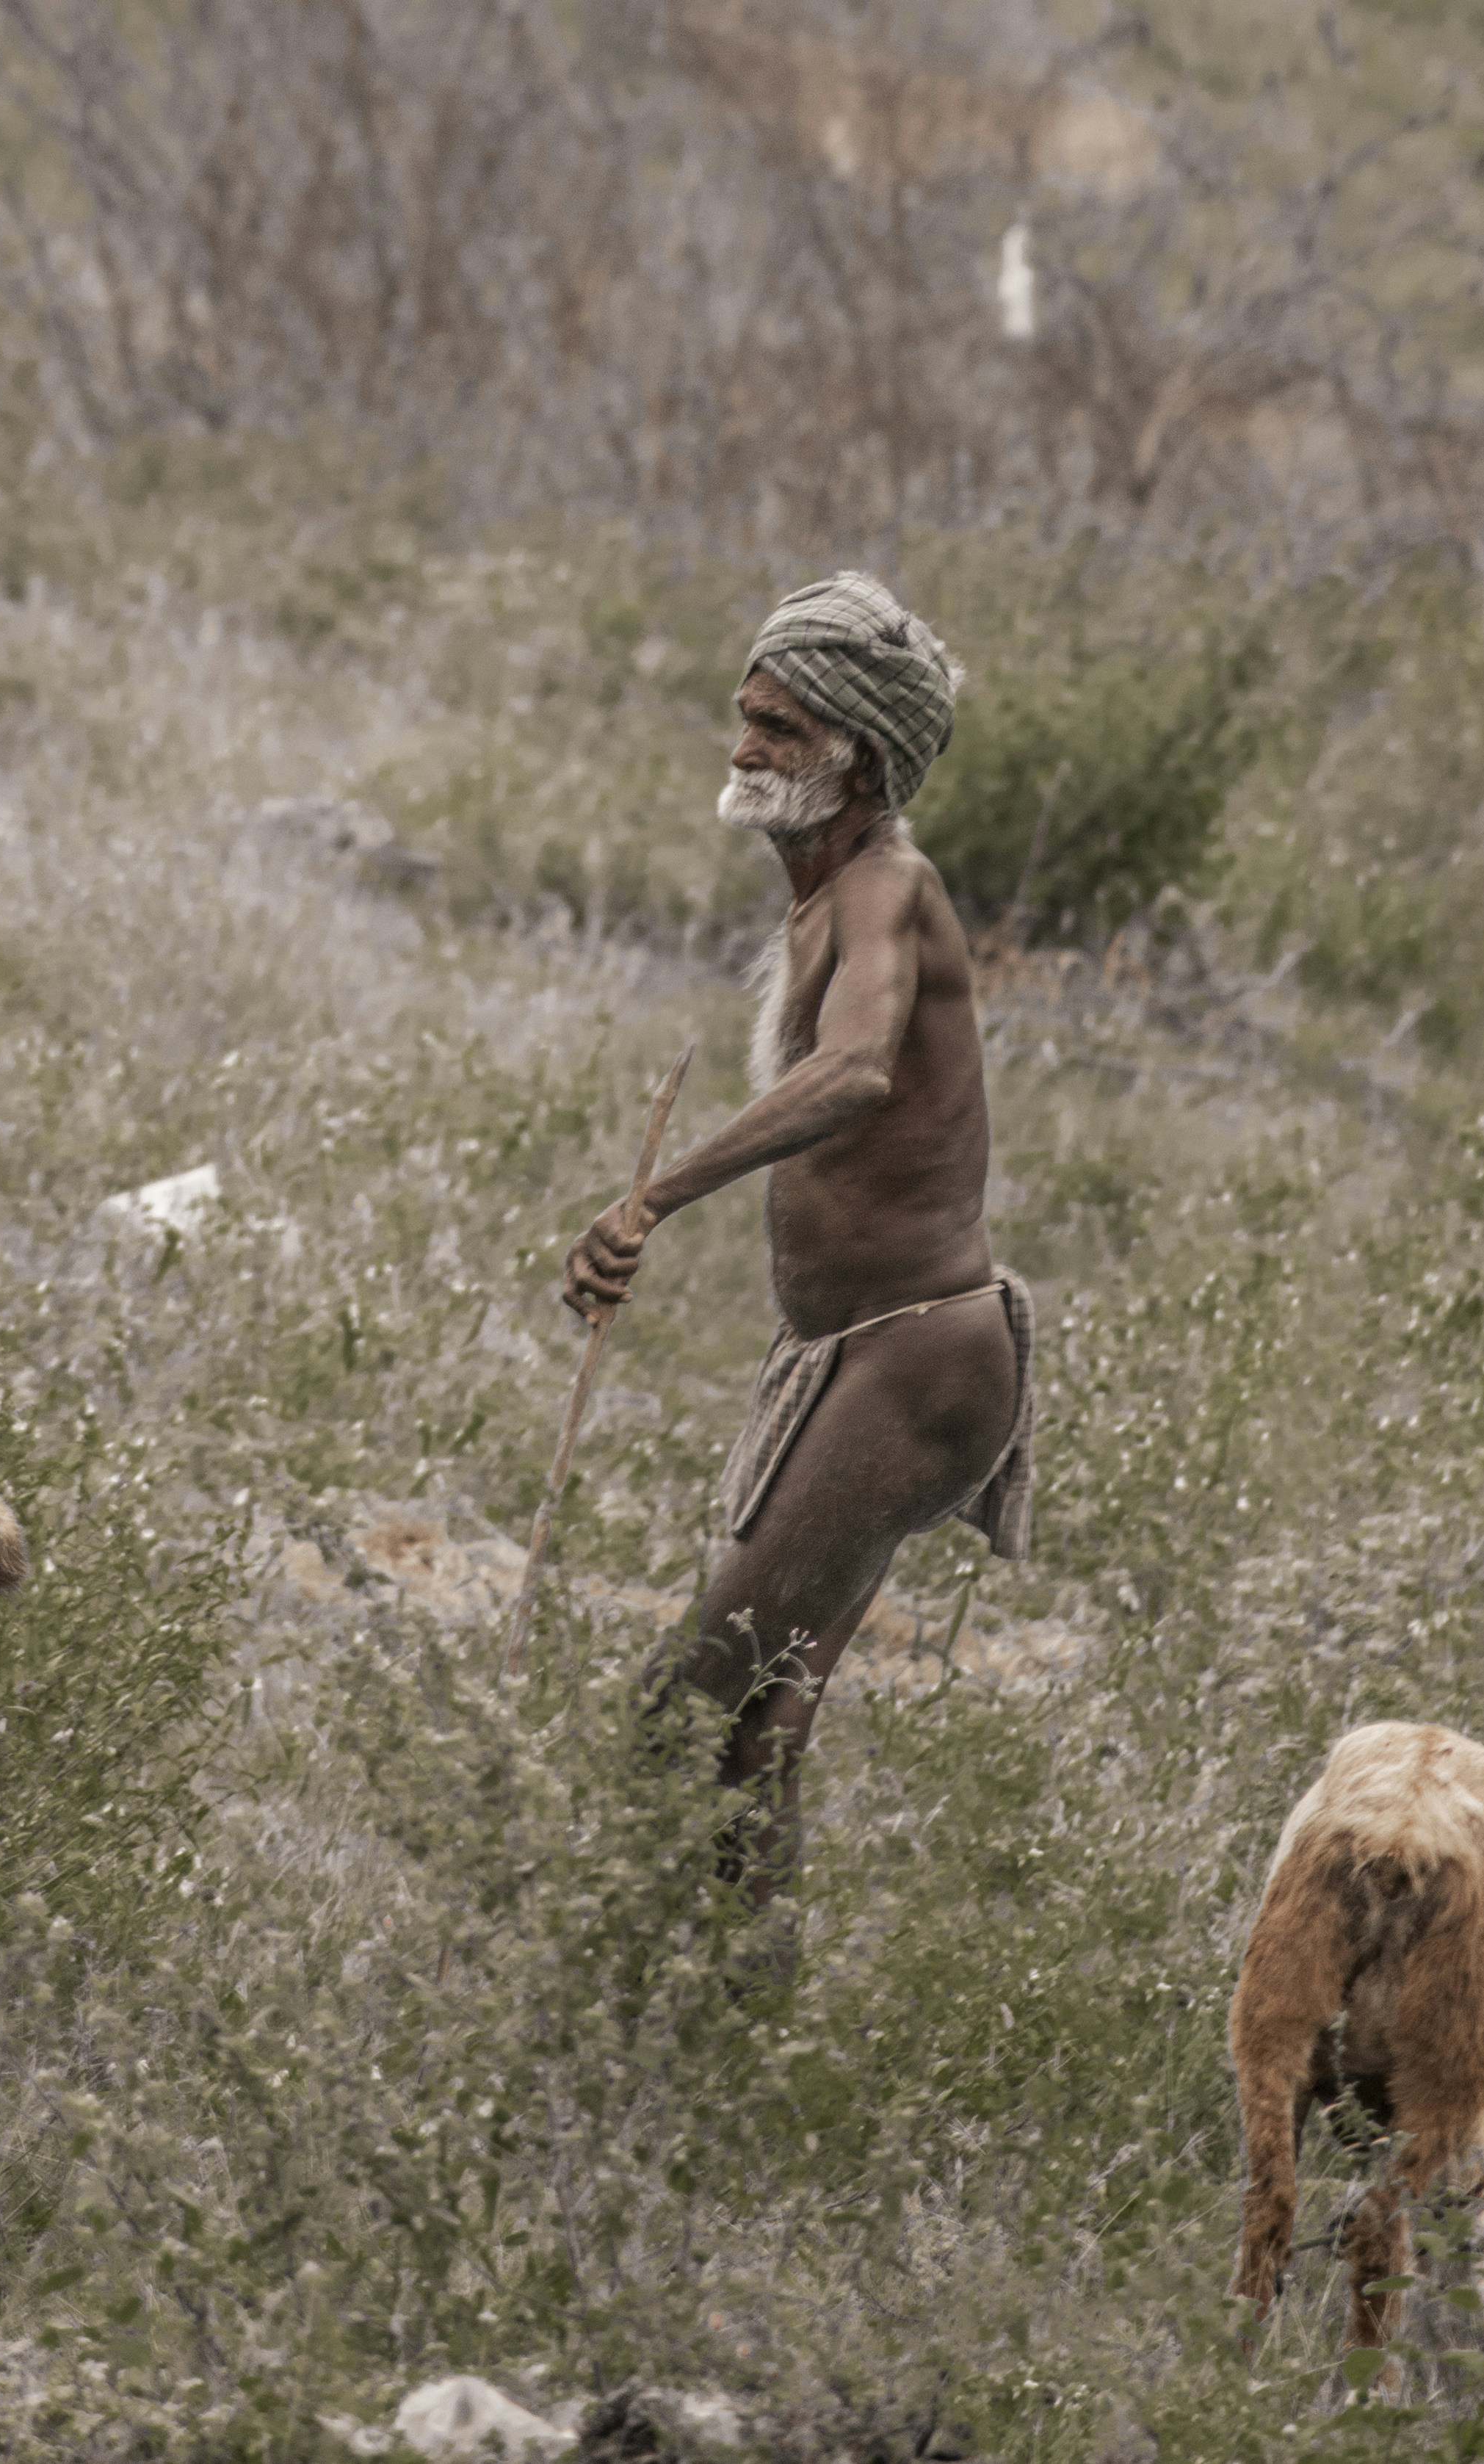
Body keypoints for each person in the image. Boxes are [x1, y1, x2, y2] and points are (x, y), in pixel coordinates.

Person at [562, 571, 1032, 1903]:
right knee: (758, 1734)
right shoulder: (824, 895)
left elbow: (858, 1069)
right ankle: (729, 2045)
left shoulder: (890, 888)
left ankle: (604, 1998)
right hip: (867, 1353)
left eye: (777, 728)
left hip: (918, 1358)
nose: (744, 749)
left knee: (683, 1705)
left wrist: (655, 1196)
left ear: (860, 757)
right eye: (746, 718)